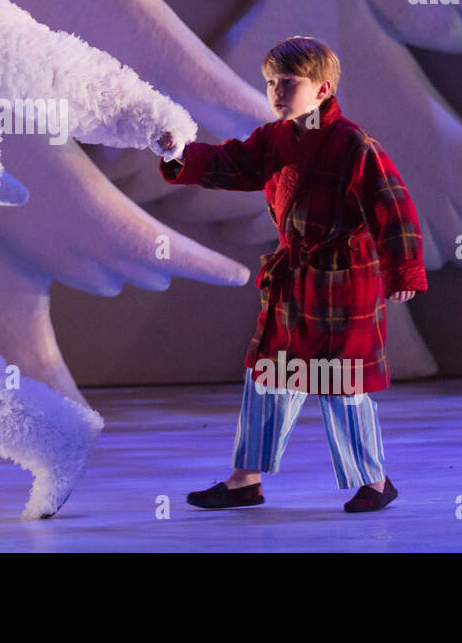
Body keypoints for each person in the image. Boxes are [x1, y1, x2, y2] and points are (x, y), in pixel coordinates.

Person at [159, 36, 427, 512]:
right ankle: (246, 479)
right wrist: (180, 153)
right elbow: (231, 163)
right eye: (270, 82)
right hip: (294, 282)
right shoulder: (276, 138)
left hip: (343, 284)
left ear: (322, 88)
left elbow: (393, 204)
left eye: (289, 82)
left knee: (341, 385)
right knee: (269, 378)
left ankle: (375, 480)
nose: (277, 91)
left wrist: (403, 267)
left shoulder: (352, 143)